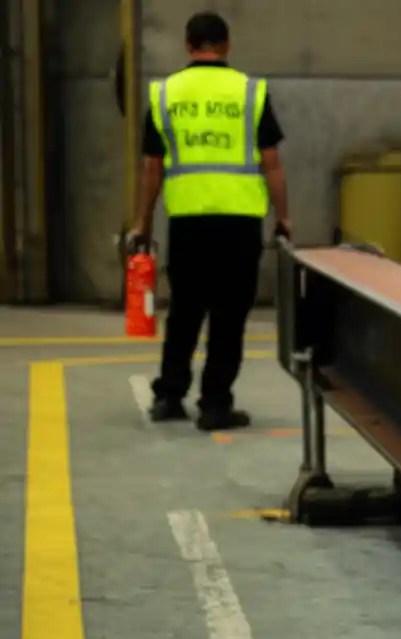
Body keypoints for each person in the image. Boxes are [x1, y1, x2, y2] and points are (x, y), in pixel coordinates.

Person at [129, 11, 290, 431]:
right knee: (229, 316)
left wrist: (143, 221)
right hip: (239, 224)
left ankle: (169, 396)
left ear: (187, 45)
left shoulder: (165, 94)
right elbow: (272, 164)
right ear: (226, 45)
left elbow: (152, 167)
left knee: (184, 311)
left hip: (188, 222)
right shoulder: (250, 92)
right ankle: (216, 405)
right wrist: (284, 217)